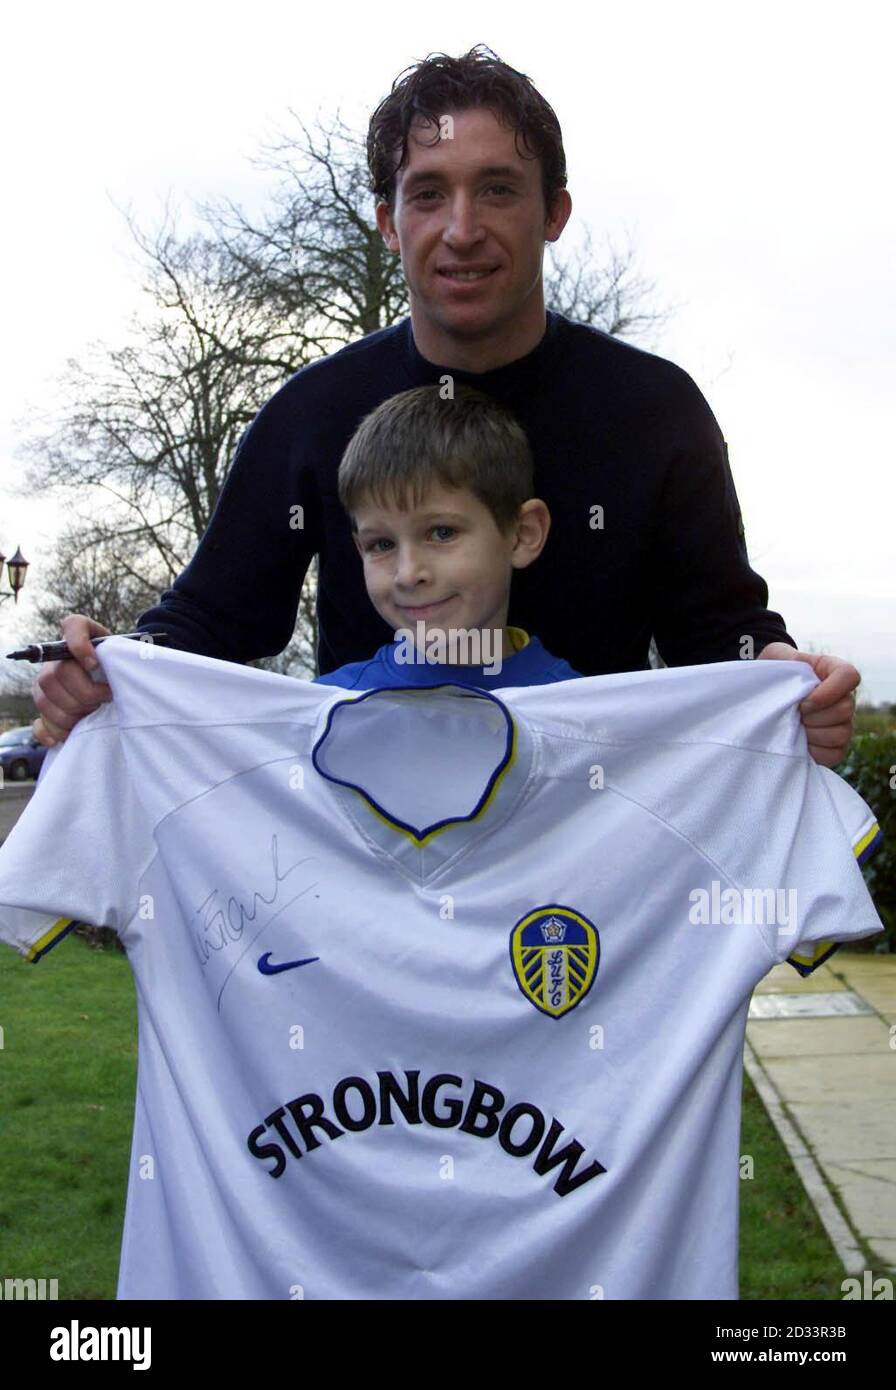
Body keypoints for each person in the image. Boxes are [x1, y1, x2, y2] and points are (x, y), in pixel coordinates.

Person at [30, 45, 859, 765]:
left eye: (497, 190)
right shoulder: (311, 412)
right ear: (389, 222)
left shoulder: (655, 410)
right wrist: (114, 664)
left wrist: (788, 681)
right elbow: (213, 619)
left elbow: (719, 635)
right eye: (428, 195)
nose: (462, 230)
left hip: (591, 875)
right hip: (370, 858)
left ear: (555, 213)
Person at [313, 383, 580, 691]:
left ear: (522, 535)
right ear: (360, 550)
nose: (408, 575)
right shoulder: (327, 715)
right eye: (382, 545)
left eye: (442, 533)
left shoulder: (583, 719)